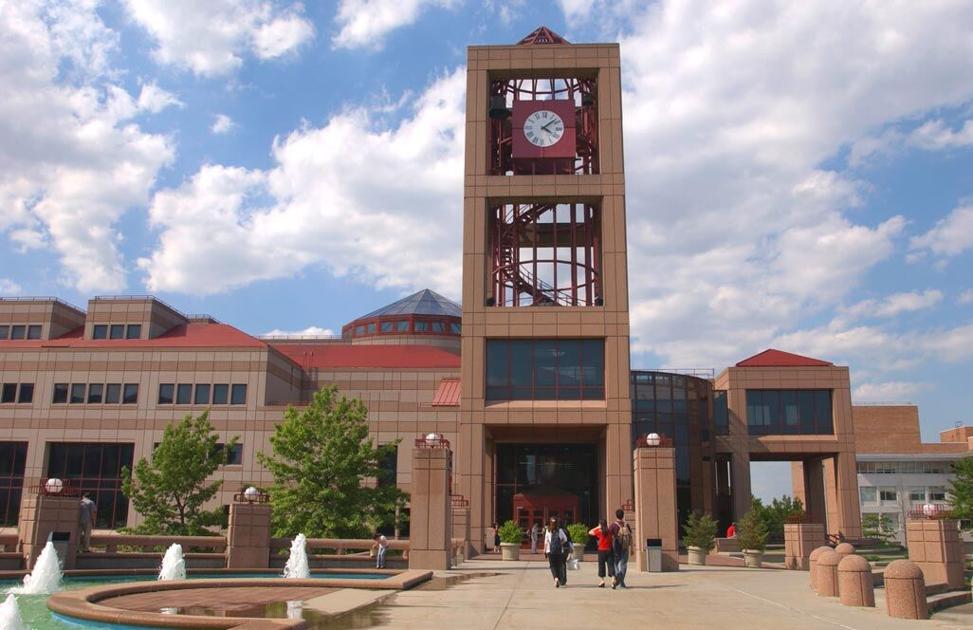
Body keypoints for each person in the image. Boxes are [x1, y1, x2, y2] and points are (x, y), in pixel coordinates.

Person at [588, 519, 615, 588]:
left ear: (600, 524)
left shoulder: (599, 531)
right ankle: (613, 580)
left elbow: (590, 532)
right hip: (609, 550)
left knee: (601, 565)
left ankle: (602, 581)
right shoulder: (609, 531)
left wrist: (597, 527)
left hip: (601, 550)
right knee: (611, 565)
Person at [610, 509, 632, 588]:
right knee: (623, 564)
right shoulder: (626, 524)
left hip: (616, 546)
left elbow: (609, 535)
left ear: (616, 515)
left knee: (615, 563)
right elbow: (630, 534)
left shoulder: (613, 525)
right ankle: (622, 582)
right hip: (625, 546)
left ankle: (618, 575)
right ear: (623, 516)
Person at [544, 517, 568, 587]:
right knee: (559, 565)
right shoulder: (560, 530)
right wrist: (560, 543)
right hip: (559, 551)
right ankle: (560, 579)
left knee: (552, 566)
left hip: (550, 551)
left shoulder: (548, 530)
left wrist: (545, 550)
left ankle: (556, 578)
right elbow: (565, 539)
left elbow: (546, 541)